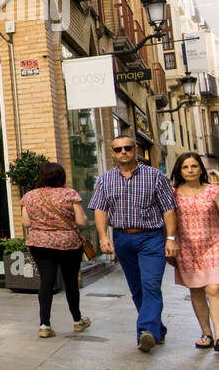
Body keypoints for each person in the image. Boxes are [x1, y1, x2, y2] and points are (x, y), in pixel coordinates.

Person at [89, 134, 179, 352]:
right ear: (112, 153)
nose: (123, 152)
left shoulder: (155, 176)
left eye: (128, 148)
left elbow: (169, 209)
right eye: (118, 149)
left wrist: (171, 238)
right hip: (122, 238)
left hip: (151, 238)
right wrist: (103, 236)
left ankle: (146, 331)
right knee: (137, 289)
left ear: (136, 149)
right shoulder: (104, 179)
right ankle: (158, 329)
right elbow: (100, 209)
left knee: (150, 285)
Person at [19, 161, 92, 338]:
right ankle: (77, 320)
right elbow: (82, 221)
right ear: (61, 176)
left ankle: (44, 325)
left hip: (39, 243)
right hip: (68, 243)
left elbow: (26, 223)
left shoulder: (29, 196)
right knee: (70, 282)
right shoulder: (70, 194)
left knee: (46, 282)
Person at [169, 151, 219, 350]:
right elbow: (169, 221)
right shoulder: (173, 194)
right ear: (179, 171)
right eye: (185, 167)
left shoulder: (214, 191)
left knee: (214, 288)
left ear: (201, 169)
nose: (190, 170)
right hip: (187, 248)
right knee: (196, 289)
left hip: (213, 244)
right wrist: (169, 243)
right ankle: (206, 333)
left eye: (194, 166)